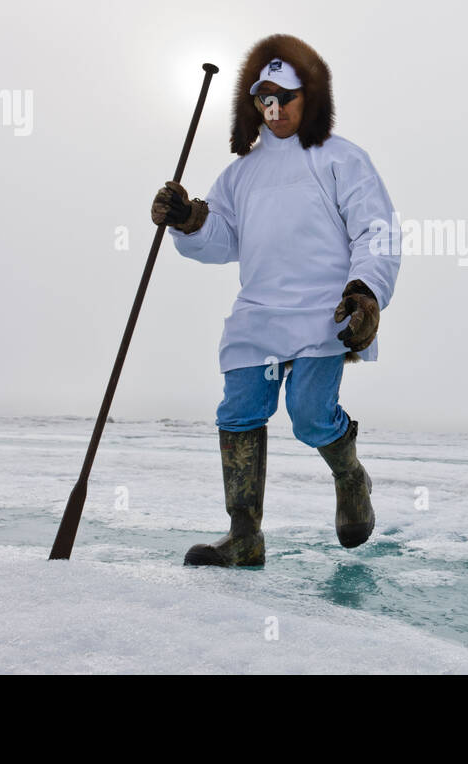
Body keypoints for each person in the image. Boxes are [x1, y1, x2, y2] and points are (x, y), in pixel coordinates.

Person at [150, 33, 401, 567]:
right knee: (240, 412)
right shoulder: (240, 174)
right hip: (258, 317)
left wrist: (366, 292)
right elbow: (221, 241)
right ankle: (244, 535)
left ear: (310, 96)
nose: (275, 109)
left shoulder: (342, 160)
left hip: (323, 315)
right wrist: (189, 218)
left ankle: (350, 476)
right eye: (264, 99)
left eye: (286, 97)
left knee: (310, 417)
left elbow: (375, 231)